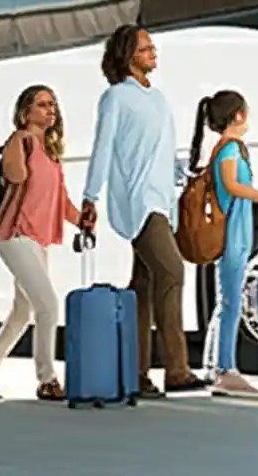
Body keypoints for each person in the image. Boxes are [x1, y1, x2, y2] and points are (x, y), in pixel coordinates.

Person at [80, 25, 209, 398]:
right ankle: (177, 370)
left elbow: (162, 153)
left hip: (161, 200)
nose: (154, 51)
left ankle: (136, 373)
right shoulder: (115, 98)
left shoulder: (158, 99)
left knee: (144, 286)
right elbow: (102, 149)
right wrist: (91, 197)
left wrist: (182, 172)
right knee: (172, 271)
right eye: (145, 47)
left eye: (153, 46)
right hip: (138, 203)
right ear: (127, 55)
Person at [0, 84, 81, 402]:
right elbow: (16, 177)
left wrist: (84, 220)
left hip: (37, 239)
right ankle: (47, 379)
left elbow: (62, 203)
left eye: (53, 105)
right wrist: (22, 142)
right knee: (47, 304)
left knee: (23, 310)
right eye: (43, 105)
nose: (51, 110)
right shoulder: (20, 142)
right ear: (25, 113)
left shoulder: (51, 154)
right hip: (15, 235)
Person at [189, 90, 258, 396]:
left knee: (227, 301)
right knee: (231, 302)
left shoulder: (225, 148)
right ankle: (225, 370)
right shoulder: (230, 150)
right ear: (238, 115)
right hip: (233, 236)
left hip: (234, 234)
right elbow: (234, 186)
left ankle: (214, 366)